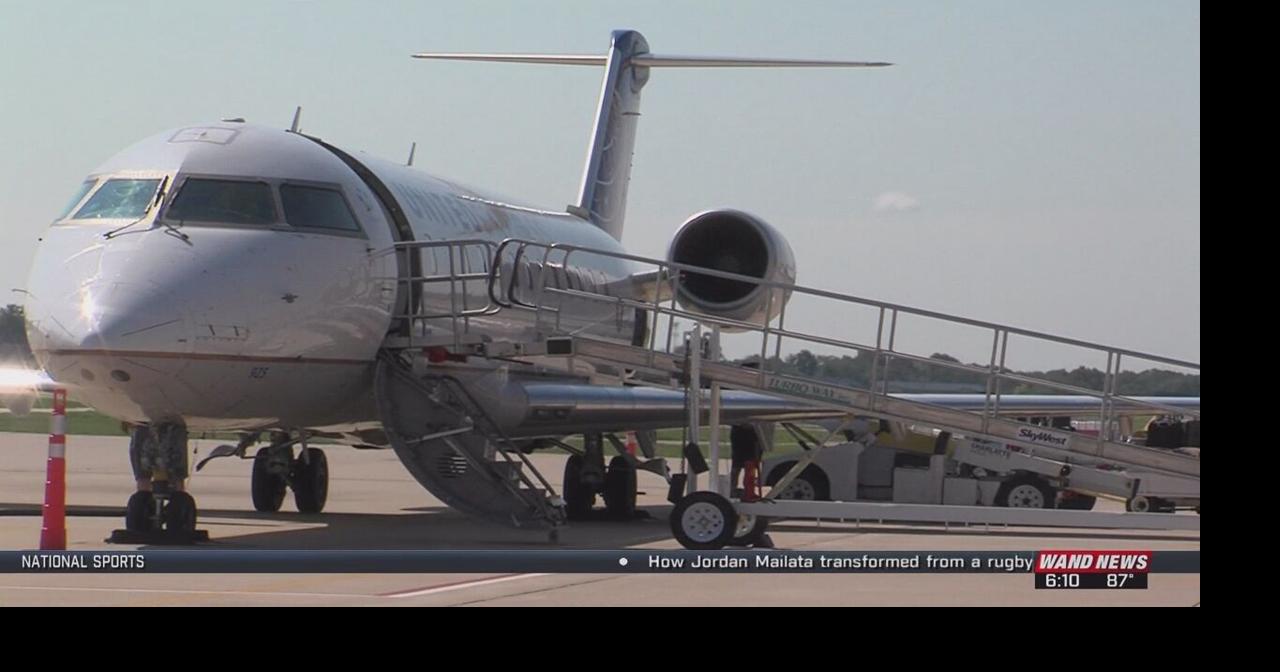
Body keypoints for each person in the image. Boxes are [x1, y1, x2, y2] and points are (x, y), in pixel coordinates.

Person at [730, 423, 764, 497]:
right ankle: (732, 489)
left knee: (751, 465)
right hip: (739, 432)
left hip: (753, 432)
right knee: (736, 465)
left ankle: (749, 490)